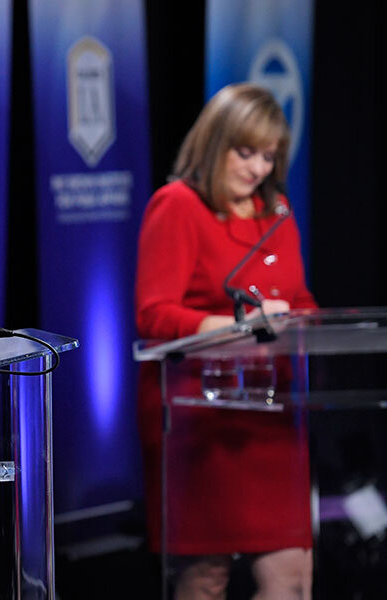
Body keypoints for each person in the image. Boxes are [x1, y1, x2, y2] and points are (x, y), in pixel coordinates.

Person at [135, 83, 317, 599]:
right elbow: (153, 314)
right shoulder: (176, 206)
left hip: (272, 417)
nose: (258, 168)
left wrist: (303, 320)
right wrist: (237, 325)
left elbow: (300, 300)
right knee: (204, 579)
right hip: (199, 417)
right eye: (246, 152)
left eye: (268, 156)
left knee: (291, 579)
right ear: (216, 143)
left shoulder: (275, 213)